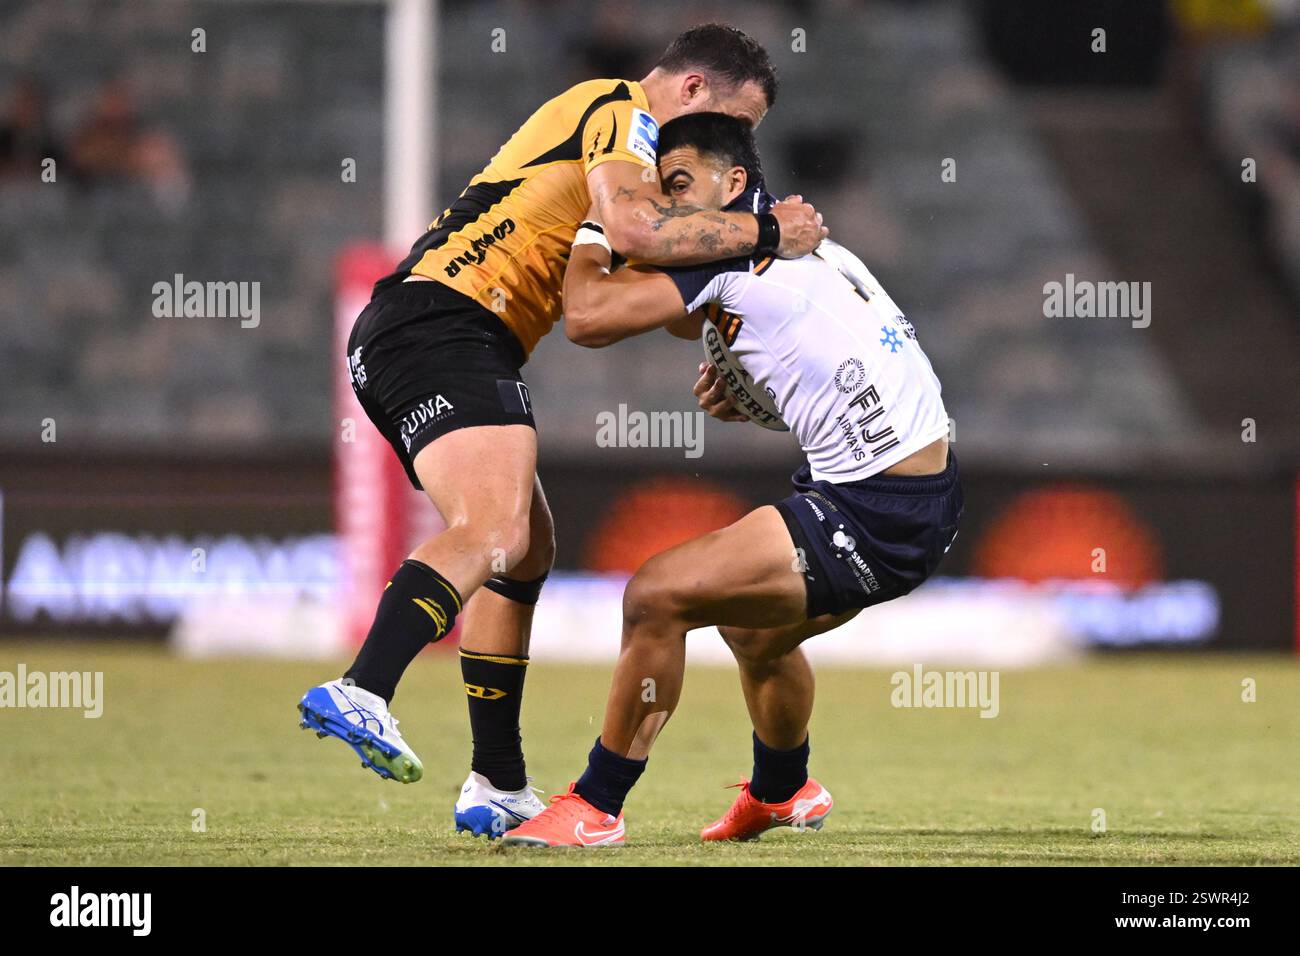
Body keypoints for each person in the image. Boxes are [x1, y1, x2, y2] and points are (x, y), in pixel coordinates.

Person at [297, 24, 828, 840]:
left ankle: (497, 781)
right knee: (496, 529)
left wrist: (733, 280)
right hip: (443, 323)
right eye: (737, 122)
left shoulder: (634, 174)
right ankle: (364, 688)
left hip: (438, 332)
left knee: (526, 548)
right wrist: (767, 234)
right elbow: (638, 241)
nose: (738, 147)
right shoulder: (618, 112)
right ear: (691, 91)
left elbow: (658, 291)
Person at [500, 112, 962, 847]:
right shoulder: (809, 251)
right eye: (657, 194)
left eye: (678, 185)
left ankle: (596, 805)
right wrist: (762, 395)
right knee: (755, 632)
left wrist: (599, 223)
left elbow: (587, 316)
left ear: (735, 182)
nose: (665, 207)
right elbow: (809, 358)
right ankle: (783, 791)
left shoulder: (732, 253)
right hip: (918, 491)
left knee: (656, 596)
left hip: (875, 507)